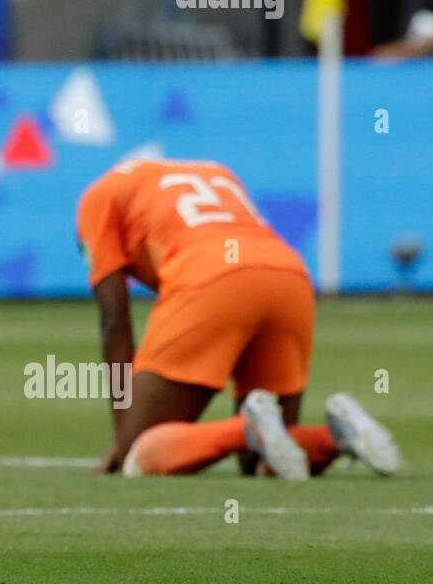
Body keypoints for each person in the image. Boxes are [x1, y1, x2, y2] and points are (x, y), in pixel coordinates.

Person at [76, 157, 401, 479]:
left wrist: (122, 440)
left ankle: (247, 426)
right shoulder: (215, 170)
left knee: (139, 453)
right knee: (261, 461)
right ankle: (335, 437)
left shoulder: (96, 199)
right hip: (289, 278)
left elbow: (114, 321)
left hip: (211, 278)